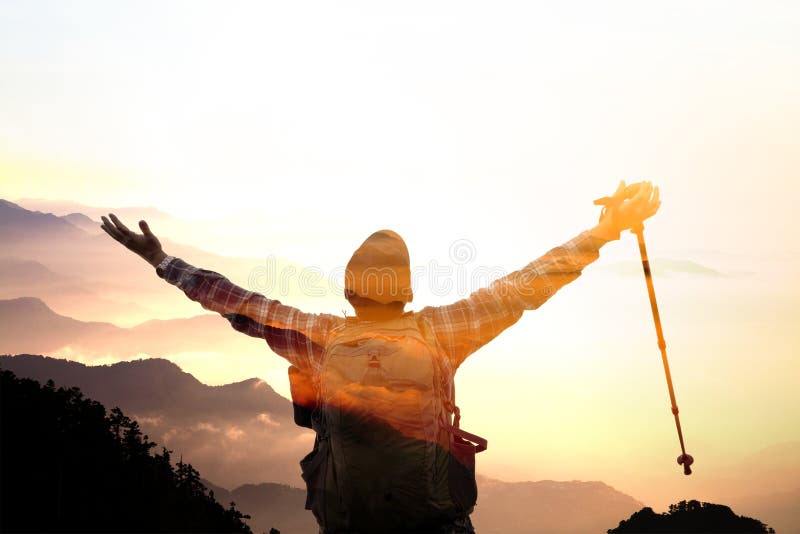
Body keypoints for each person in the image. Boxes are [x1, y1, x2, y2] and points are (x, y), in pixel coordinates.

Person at [101, 180, 660, 533]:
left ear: (348, 290)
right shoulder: (444, 331)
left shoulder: (318, 338)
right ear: (406, 291)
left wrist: (160, 259)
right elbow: (528, 284)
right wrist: (605, 229)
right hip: (433, 526)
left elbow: (239, 302)